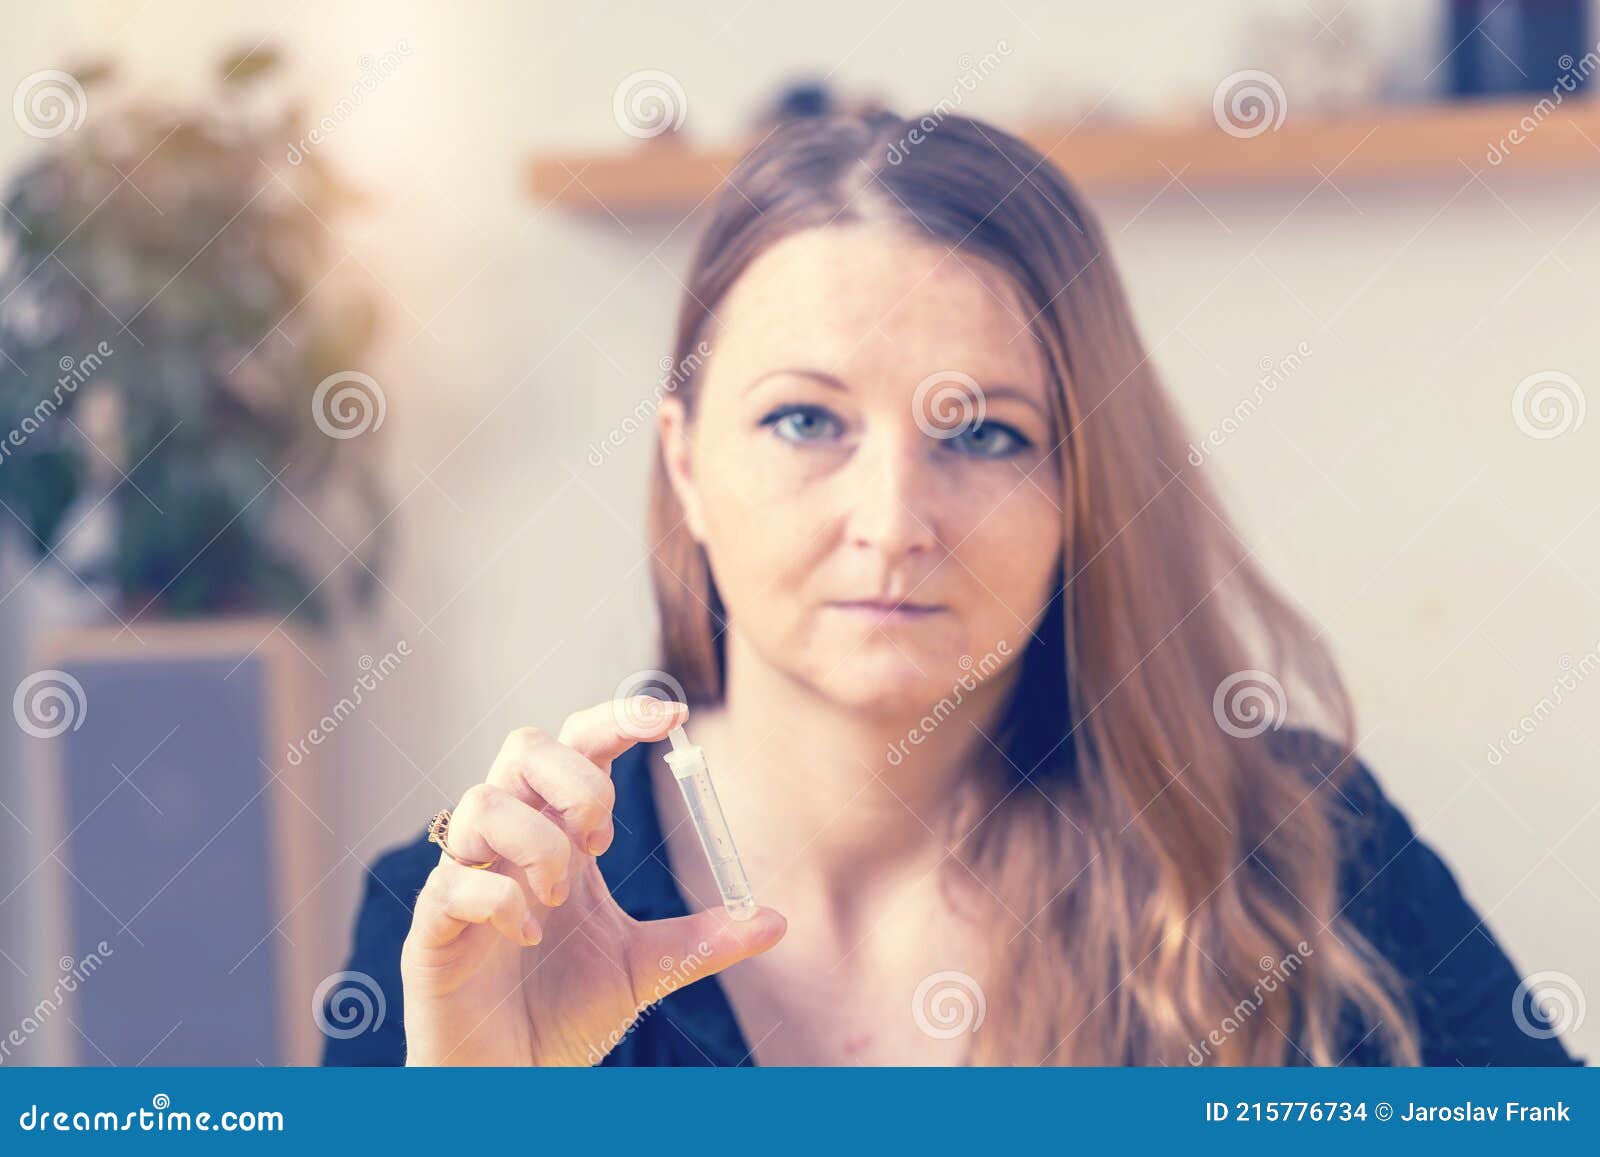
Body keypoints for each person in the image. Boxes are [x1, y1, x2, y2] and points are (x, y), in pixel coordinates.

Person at [324, 112, 1585, 1067]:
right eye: (806, 418)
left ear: (1083, 486)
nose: (893, 522)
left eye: (984, 434)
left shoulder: (1293, 849)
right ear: (686, 467)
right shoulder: (476, 917)